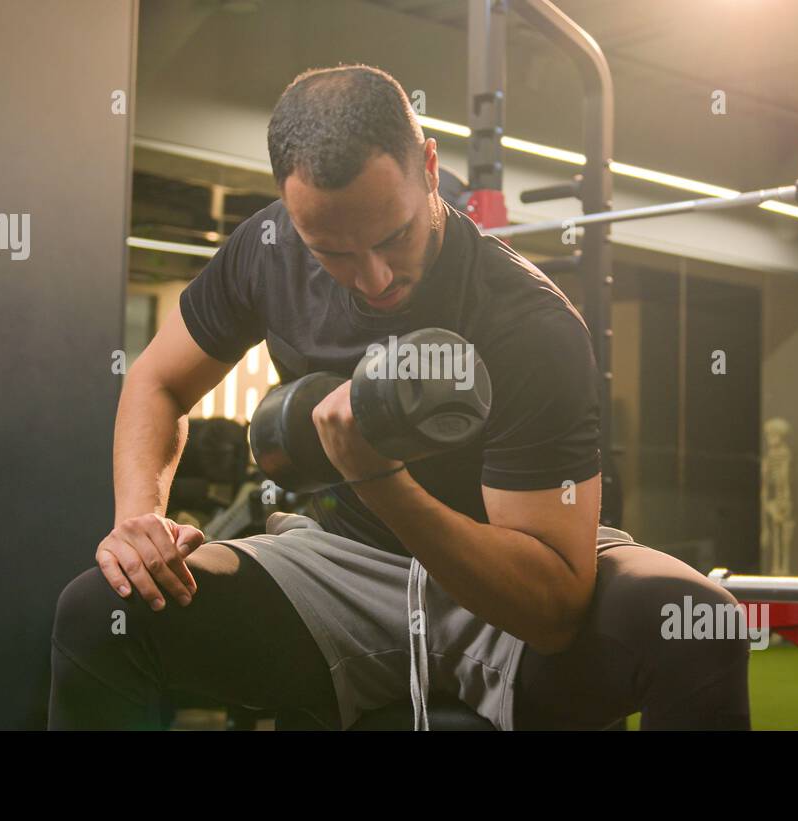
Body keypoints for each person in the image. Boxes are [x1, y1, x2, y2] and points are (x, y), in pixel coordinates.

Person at [48, 64, 750, 731]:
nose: (375, 276)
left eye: (395, 236)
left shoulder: (528, 322)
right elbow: (158, 381)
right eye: (335, 252)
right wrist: (139, 521)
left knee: (692, 621)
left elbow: (555, 610)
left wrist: (379, 477)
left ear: (432, 167)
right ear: (293, 219)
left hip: (510, 561)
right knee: (103, 608)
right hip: (337, 570)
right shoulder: (265, 250)